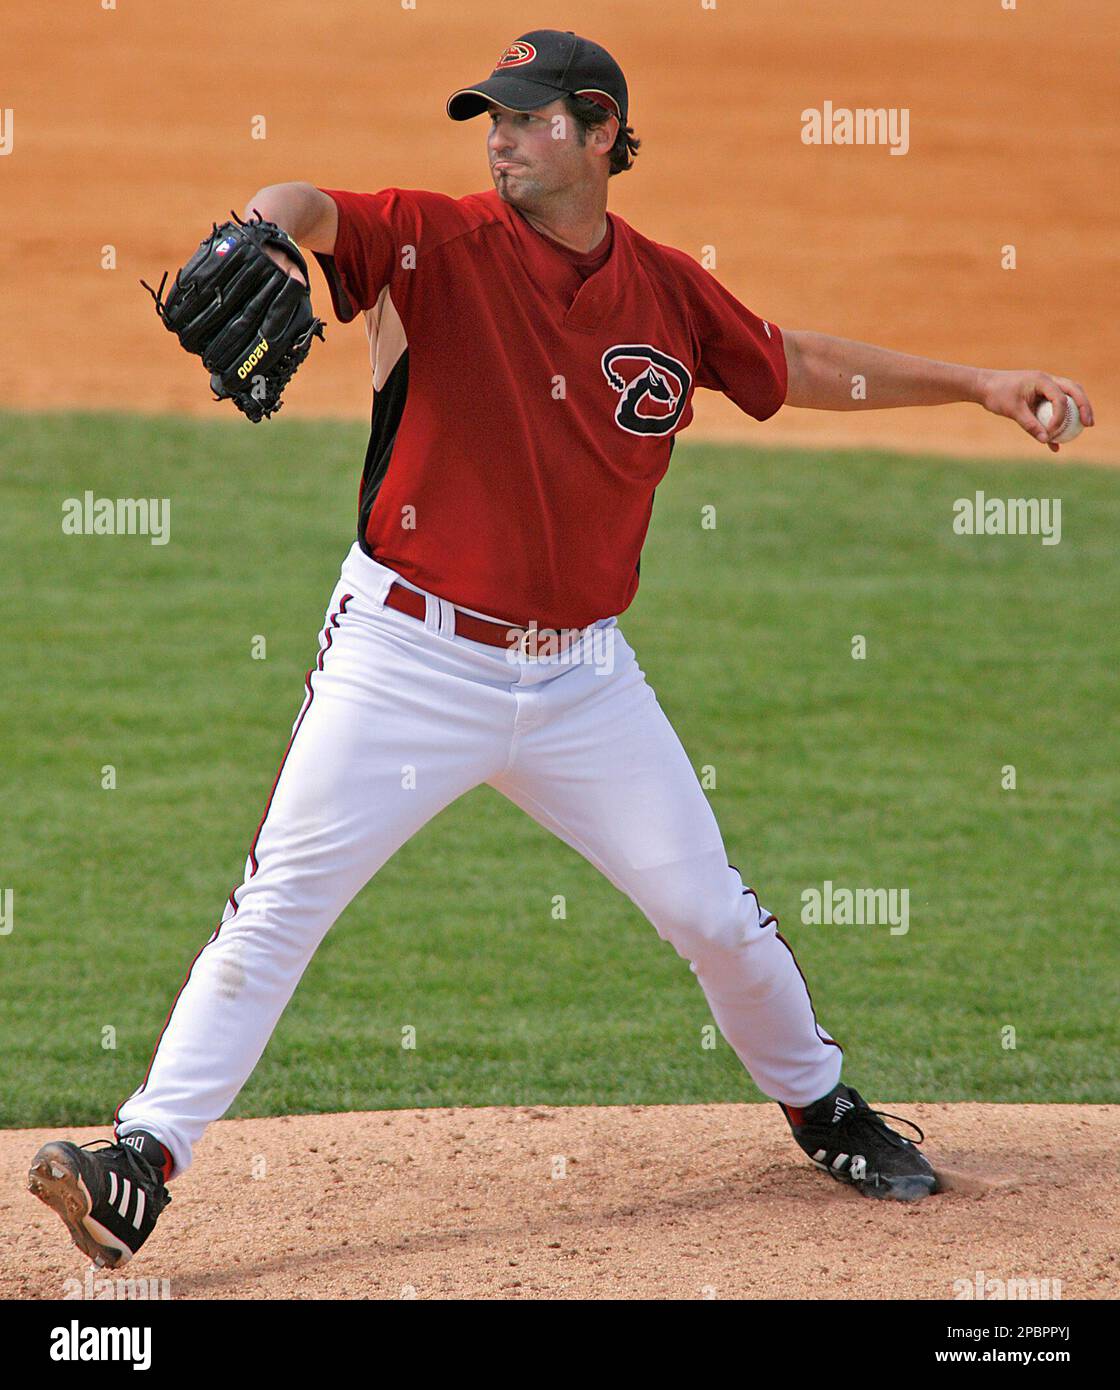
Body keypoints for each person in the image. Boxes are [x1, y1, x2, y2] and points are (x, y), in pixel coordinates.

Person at [30, 28, 1093, 1269]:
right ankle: (142, 1161)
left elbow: (785, 359)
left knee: (712, 914)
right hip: (406, 658)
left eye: (528, 118)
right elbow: (310, 206)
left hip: (586, 677)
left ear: (600, 132)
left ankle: (825, 1107)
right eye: (489, 116)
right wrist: (263, 231)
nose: (498, 136)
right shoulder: (437, 239)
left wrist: (977, 383)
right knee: (275, 910)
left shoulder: (664, 288)